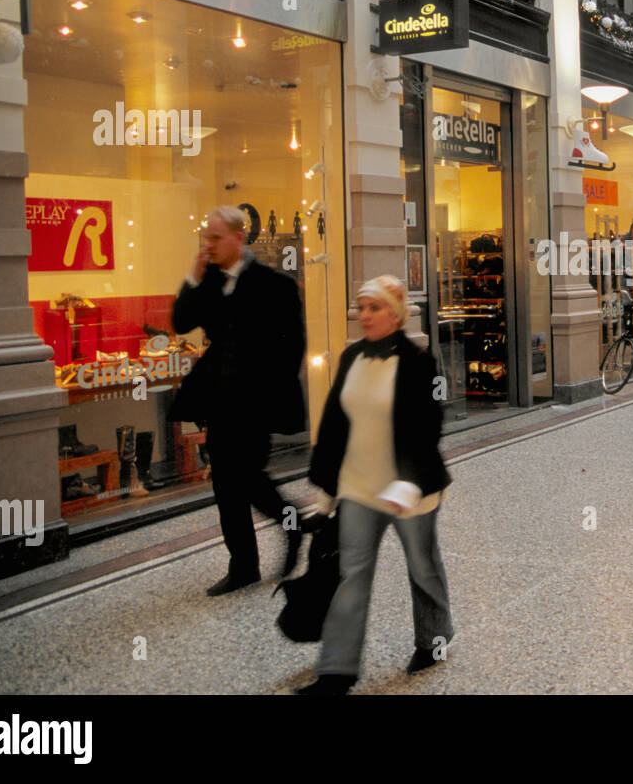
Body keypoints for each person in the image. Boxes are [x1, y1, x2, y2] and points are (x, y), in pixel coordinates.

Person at [299, 276, 454, 694]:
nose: (363, 315)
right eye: (360, 308)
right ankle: (335, 672)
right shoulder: (351, 358)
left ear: (396, 313)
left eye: (374, 308)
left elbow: (428, 428)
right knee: (351, 576)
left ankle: (434, 638)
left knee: (422, 568)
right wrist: (326, 489)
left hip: (409, 489)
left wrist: (408, 483)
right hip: (358, 487)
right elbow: (333, 424)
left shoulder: (419, 361)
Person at [170, 206, 306, 596]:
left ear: (237, 238)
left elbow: (292, 346)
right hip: (219, 400)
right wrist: (191, 279)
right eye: (205, 239)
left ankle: (292, 524)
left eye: (214, 238)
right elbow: (181, 323)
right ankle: (243, 565)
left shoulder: (274, 284)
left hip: (256, 402)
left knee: (248, 479)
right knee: (226, 486)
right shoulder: (209, 281)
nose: (208, 246)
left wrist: (269, 394)